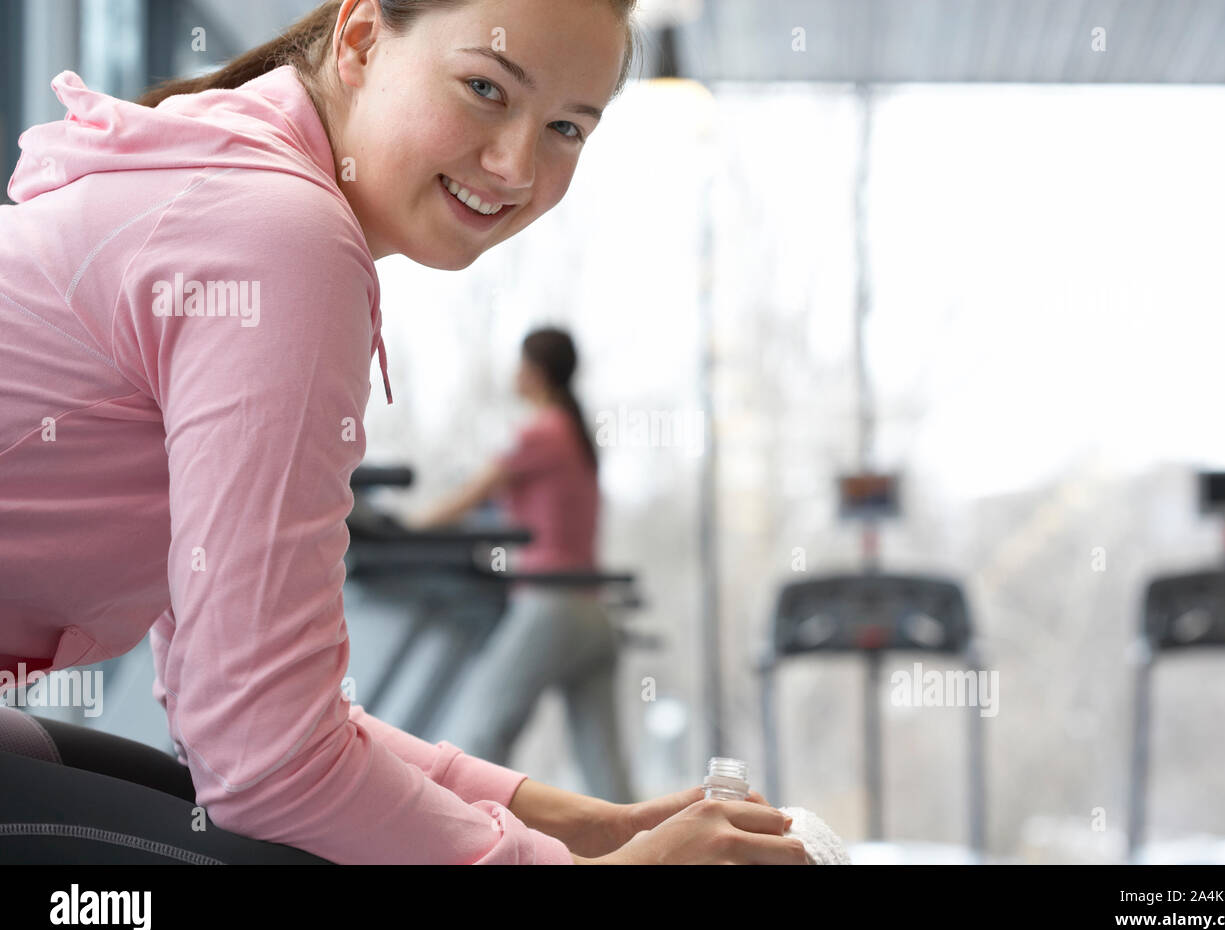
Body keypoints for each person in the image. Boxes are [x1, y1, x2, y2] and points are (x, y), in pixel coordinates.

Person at [0, 0, 806, 864]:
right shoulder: (276, 233)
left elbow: (240, 719)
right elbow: (266, 764)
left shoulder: (235, 169)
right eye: (485, 88)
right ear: (358, 40)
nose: (516, 166)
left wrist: (587, 828)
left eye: (568, 127)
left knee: (192, 806)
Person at [409, 326, 634, 804]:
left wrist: (410, 527)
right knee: (606, 775)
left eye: (520, 363)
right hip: (593, 614)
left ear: (535, 372)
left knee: (477, 739)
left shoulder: (539, 431)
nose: (514, 373)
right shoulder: (574, 432)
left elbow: (473, 493)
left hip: (551, 609)